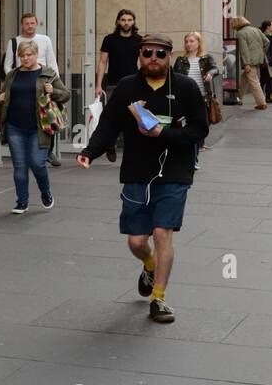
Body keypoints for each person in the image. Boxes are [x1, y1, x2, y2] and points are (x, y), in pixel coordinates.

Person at [78, 32, 209, 325]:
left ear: (169, 57)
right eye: (148, 53)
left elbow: (201, 129)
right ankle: (148, 264)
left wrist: (166, 134)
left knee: (162, 233)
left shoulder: (185, 87)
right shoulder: (127, 87)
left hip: (175, 170)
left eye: (160, 54)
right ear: (140, 55)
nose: (153, 58)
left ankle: (159, 298)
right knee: (137, 242)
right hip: (137, 170)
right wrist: (90, 151)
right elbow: (109, 124)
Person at [0, 40, 69, 214]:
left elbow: (65, 95)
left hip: (39, 127)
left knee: (37, 163)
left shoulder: (48, 74)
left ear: (36, 55)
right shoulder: (12, 75)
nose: (25, 58)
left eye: (29, 55)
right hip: (15, 126)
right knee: (19, 166)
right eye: (22, 55)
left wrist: (53, 91)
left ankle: (45, 192)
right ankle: (22, 202)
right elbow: (0, 96)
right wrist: (0, 98)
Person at [3, 13, 61, 166]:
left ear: (37, 24)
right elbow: (7, 64)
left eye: (32, 23)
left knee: (47, 116)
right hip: (21, 80)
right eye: (26, 23)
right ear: (22, 25)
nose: (29, 26)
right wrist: (12, 80)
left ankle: (48, 151)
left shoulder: (45, 40)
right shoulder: (14, 42)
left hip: (42, 81)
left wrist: (54, 83)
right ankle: (28, 152)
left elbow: (52, 62)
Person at [96, 9, 142, 161]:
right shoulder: (109, 39)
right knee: (113, 116)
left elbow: (142, 63)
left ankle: (133, 149)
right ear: (118, 22)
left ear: (133, 22)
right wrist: (98, 85)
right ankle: (110, 144)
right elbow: (102, 62)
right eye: (123, 20)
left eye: (129, 20)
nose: (126, 22)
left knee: (134, 117)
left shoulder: (139, 40)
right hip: (113, 84)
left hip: (134, 84)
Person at [172, 32, 218, 169]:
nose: (188, 44)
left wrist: (211, 73)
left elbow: (215, 68)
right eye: (186, 41)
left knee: (199, 130)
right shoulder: (180, 59)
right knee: (184, 130)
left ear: (198, 42)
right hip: (184, 98)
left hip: (203, 99)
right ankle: (187, 157)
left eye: (191, 41)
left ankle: (194, 158)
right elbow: (174, 76)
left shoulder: (206, 58)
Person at [231, 16, 268, 110]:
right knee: (244, 80)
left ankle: (261, 103)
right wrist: (261, 53)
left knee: (254, 81)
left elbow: (244, 50)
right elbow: (267, 42)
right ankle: (238, 98)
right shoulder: (256, 30)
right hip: (257, 59)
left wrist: (246, 63)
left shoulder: (240, 33)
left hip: (249, 61)